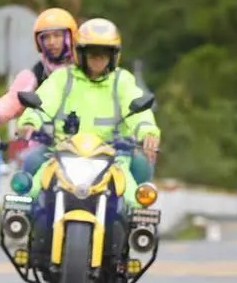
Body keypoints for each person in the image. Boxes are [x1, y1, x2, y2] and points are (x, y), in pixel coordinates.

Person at [16, 17, 161, 208]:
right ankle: (19, 226)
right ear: (80, 53)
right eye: (92, 52)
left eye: (104, 52)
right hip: (62, 153)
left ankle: (140, 231)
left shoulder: (122, 80)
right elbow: (44, 102)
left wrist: (148, 132)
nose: (98, 57)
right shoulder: (63, 78)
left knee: (135, 203)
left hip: (113, 156)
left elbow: (137, 111)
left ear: (113, 55)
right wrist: (30, 122)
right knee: (29, 194)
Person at [0, 8, 78, 166]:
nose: (52, 42)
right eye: (46, 37)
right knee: (29, 165)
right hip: (49, 148)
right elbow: (14, 99)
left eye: (57, 35)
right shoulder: (36, 74)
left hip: (89, 146)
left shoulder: (85, 72)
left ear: (70, 37)